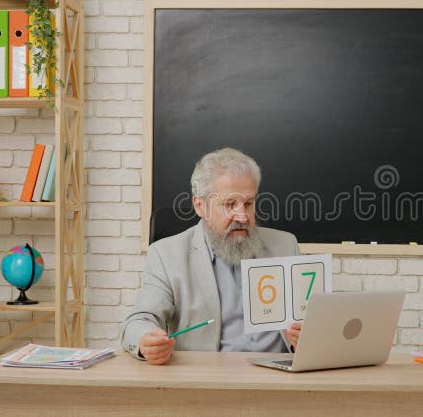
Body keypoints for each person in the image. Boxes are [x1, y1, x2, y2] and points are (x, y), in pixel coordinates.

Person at [121, 147, 303, 365]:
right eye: (229, 204)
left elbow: (311, 321)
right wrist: (146, 341)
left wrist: (304, 338)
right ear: (200, 205)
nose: (242, 216)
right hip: (208, 379)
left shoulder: (286, 245)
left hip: (280, 379)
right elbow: (140, 320)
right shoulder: (166, 255)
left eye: (248, 203)